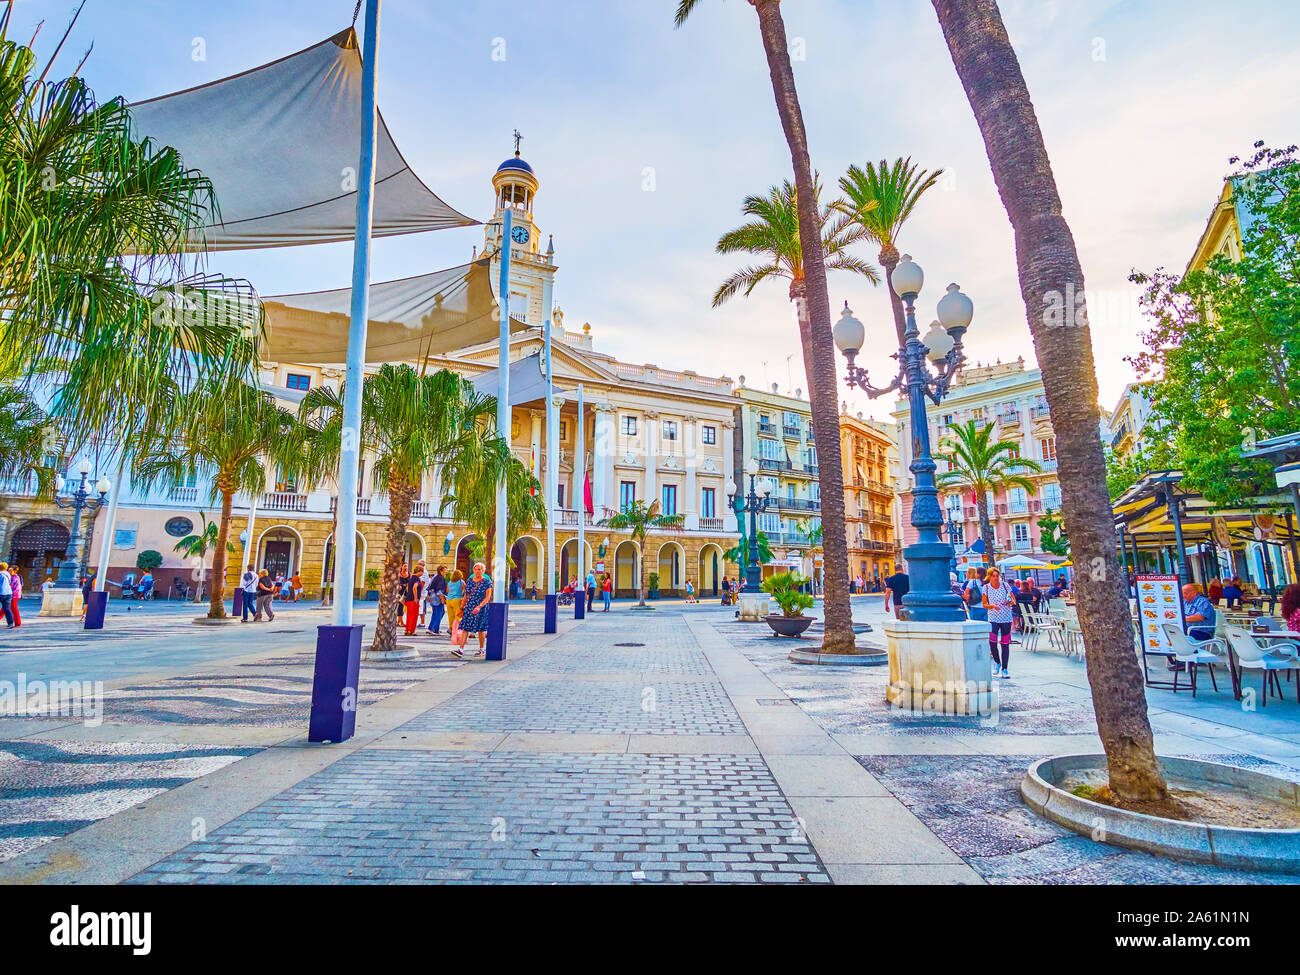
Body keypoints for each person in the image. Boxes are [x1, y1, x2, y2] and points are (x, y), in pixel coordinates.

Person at [982, 567, 1016, 678]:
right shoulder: (986, 588)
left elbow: (1013, 600)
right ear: (989, 577)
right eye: (993, 576)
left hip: (1006, 618)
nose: (996, 578)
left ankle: (1005, 669)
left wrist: (1009, 602)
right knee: (992, 642)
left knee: (1005, 644)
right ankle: (997, 662)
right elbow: (984, 605)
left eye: (997, 576)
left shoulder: (1005, 585)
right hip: (993, 618)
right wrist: (992, 606)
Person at [457, 561, 493, 657]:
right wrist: (462, 607)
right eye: (476, 569)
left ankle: (481, 649)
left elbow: (487, 597)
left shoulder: (487, 582)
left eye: (480, 569)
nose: (478, 571)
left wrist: (479, 606)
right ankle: (460, 649)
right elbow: (466, 594)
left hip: (481, 608)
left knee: (481, 629)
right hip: (469, 607)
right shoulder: (469, 580)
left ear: (483, 571)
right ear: (473, 570)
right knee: (465, 628)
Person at [399, 564, 422, 637]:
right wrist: (415, 598)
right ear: (419, 571)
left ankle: (407, 630)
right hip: (413, 600)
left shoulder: (411, 578)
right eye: (422, 571)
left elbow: (408, 588)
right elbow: (415, 587)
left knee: (409, 616)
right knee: (414, 616)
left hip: (408, 599)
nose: (422, 573)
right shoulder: (417, 578)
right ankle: (411, 630)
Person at [426, 565, 448, 635]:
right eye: (445, 569)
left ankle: (431, 628)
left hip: (433, 597)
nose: (446, 571)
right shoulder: (440, 578)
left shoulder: (435, 577)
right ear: (441, 570)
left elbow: (430, 587)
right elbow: (439, 590)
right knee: (438, 614)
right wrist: (442, 598)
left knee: (436, 613)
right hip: (437, 598)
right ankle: (435, 630)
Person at [444, 569, 465, 638]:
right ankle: (456, 630)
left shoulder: (450, 582)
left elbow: (447, 591)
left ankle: (451, 628)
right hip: (457, 599)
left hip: (449, 600)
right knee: (458, 615)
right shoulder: (461, 582)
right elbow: (466, 591)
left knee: (451, 616)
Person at [0, 562, 13, 628]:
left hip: (1, 592)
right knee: (7, 608)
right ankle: (10, 623)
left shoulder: (0, 574)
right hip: (9, 592)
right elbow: (9, 582)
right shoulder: (7, 574)